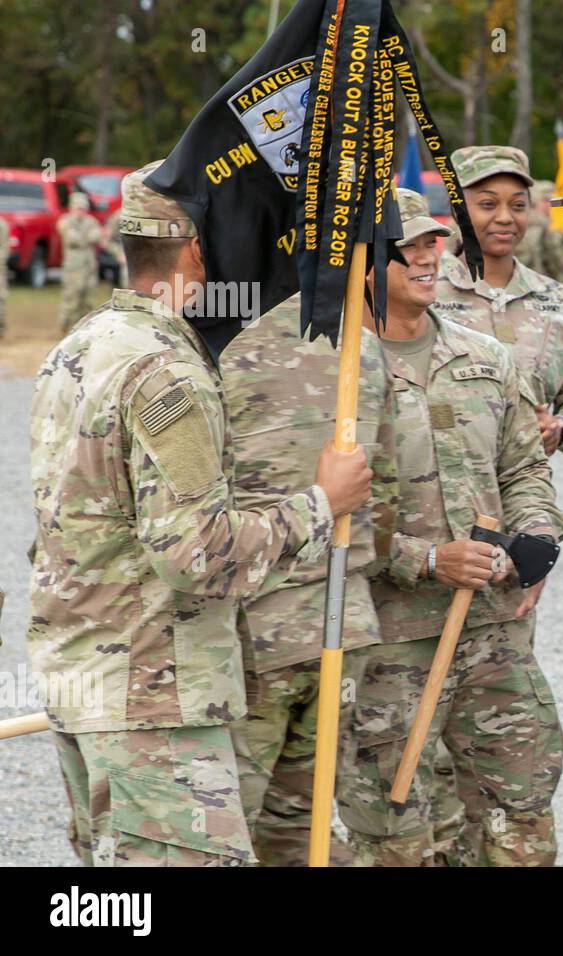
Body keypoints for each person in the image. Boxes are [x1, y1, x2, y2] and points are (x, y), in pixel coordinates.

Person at [26, 162, 372, 866]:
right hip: (153, 700)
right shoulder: (165, 368)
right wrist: (320, 504)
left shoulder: (81, 347)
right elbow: (195, 555)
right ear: (195, 248)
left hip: (87, 683)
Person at [337, 188, 563, 867]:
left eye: (434, 242)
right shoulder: (335, 370)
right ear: (363, 262)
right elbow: (317, 510)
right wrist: (424, 559)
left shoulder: (486, 358)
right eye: (408, 246)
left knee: (519, 815)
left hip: (494, 635)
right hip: (390, 642)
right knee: (397, 828)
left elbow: (525, 467)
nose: (429, 256)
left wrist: (535, 542)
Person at [219, 288, 399, 866]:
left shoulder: (213, 343)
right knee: (305, 825)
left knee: (227, 827)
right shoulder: (360, 347)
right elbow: (387, 489)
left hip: (250, 630)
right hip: (343, 620)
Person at [435, 145, 563, 456]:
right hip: (440, 489)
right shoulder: (424, 294)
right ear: (457, 209)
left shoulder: (554, 299)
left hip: (529, 489)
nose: (505, 218)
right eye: (488, 204)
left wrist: (559, 428)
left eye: (518, 206)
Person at [56, 192, 103, 332]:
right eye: (78, 208)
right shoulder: (65, 221)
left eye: (83, 208)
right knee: (71, 297)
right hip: (73, 267)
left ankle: (84, 328)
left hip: (89, 265)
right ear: (71, 207)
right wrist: (86, 238)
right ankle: (65, 326)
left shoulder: (92, 222)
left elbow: (96, 236)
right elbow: (73, 239)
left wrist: (86, 238)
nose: (80, 211)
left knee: (88, 298)